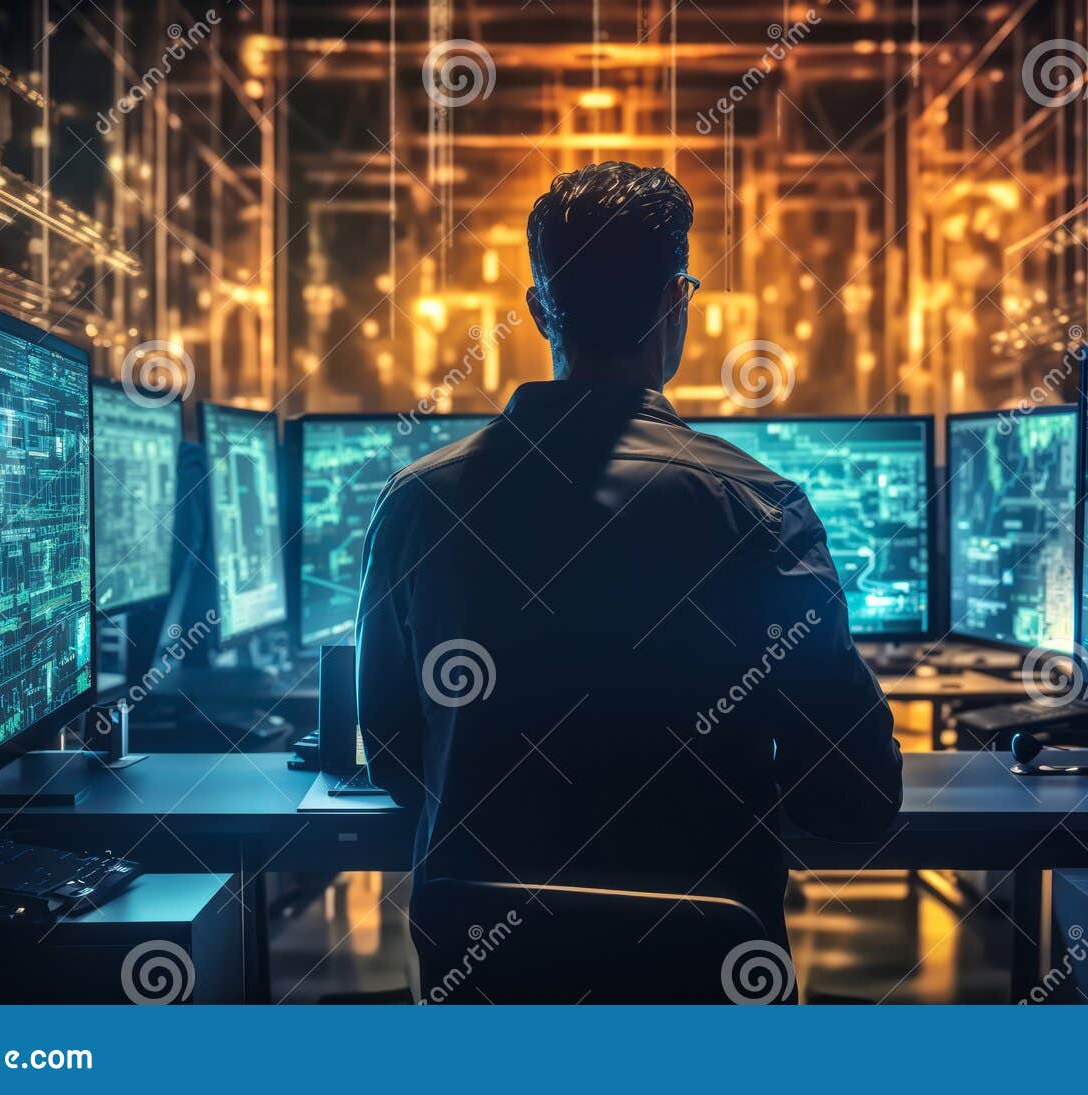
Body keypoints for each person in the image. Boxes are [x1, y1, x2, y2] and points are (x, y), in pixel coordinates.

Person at [355, 161, 902, 987]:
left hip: (489, 1004)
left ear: (539, 310)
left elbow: (394, 757)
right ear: (678, 304)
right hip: (707, 1007)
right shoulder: (761, 508)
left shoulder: (418, 503)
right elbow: (854, 796)